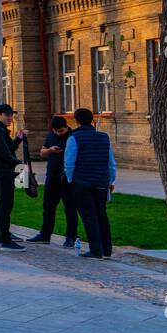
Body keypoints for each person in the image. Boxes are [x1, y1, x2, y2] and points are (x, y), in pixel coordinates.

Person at [65, 107, 116, 259]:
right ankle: (107, 250)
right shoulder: (104, 137)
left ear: (77, 121)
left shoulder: (74, 138)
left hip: (82, 182)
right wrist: (111, 180)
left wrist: (70, 179)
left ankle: (96, 250)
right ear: (92, 120)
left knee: (89, 216)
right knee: (102, 215)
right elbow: (111, 162)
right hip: (101, 181)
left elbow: (69, 163)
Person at [27, 115, 78, 248]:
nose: (57, 133)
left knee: (70, 208)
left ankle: (71, 237)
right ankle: (45, 235)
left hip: (67, 178)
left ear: (66, 127)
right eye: (55, 131)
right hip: (52, 176)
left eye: (60, 131)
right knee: (48, 207)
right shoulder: (51, 136)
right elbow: (42, 152)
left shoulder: (72, 137)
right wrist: (50, 150)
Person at [0, 103, 28, 251]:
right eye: (7, 115)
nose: (10, 117)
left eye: (11, 115)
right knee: (4, 207)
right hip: (3, 173)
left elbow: (8, 149)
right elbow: (5, 154)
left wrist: (18, 139)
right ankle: (5, 240)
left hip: (2, 172)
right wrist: (21, 165)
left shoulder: (0, 130)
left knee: (0, 206)